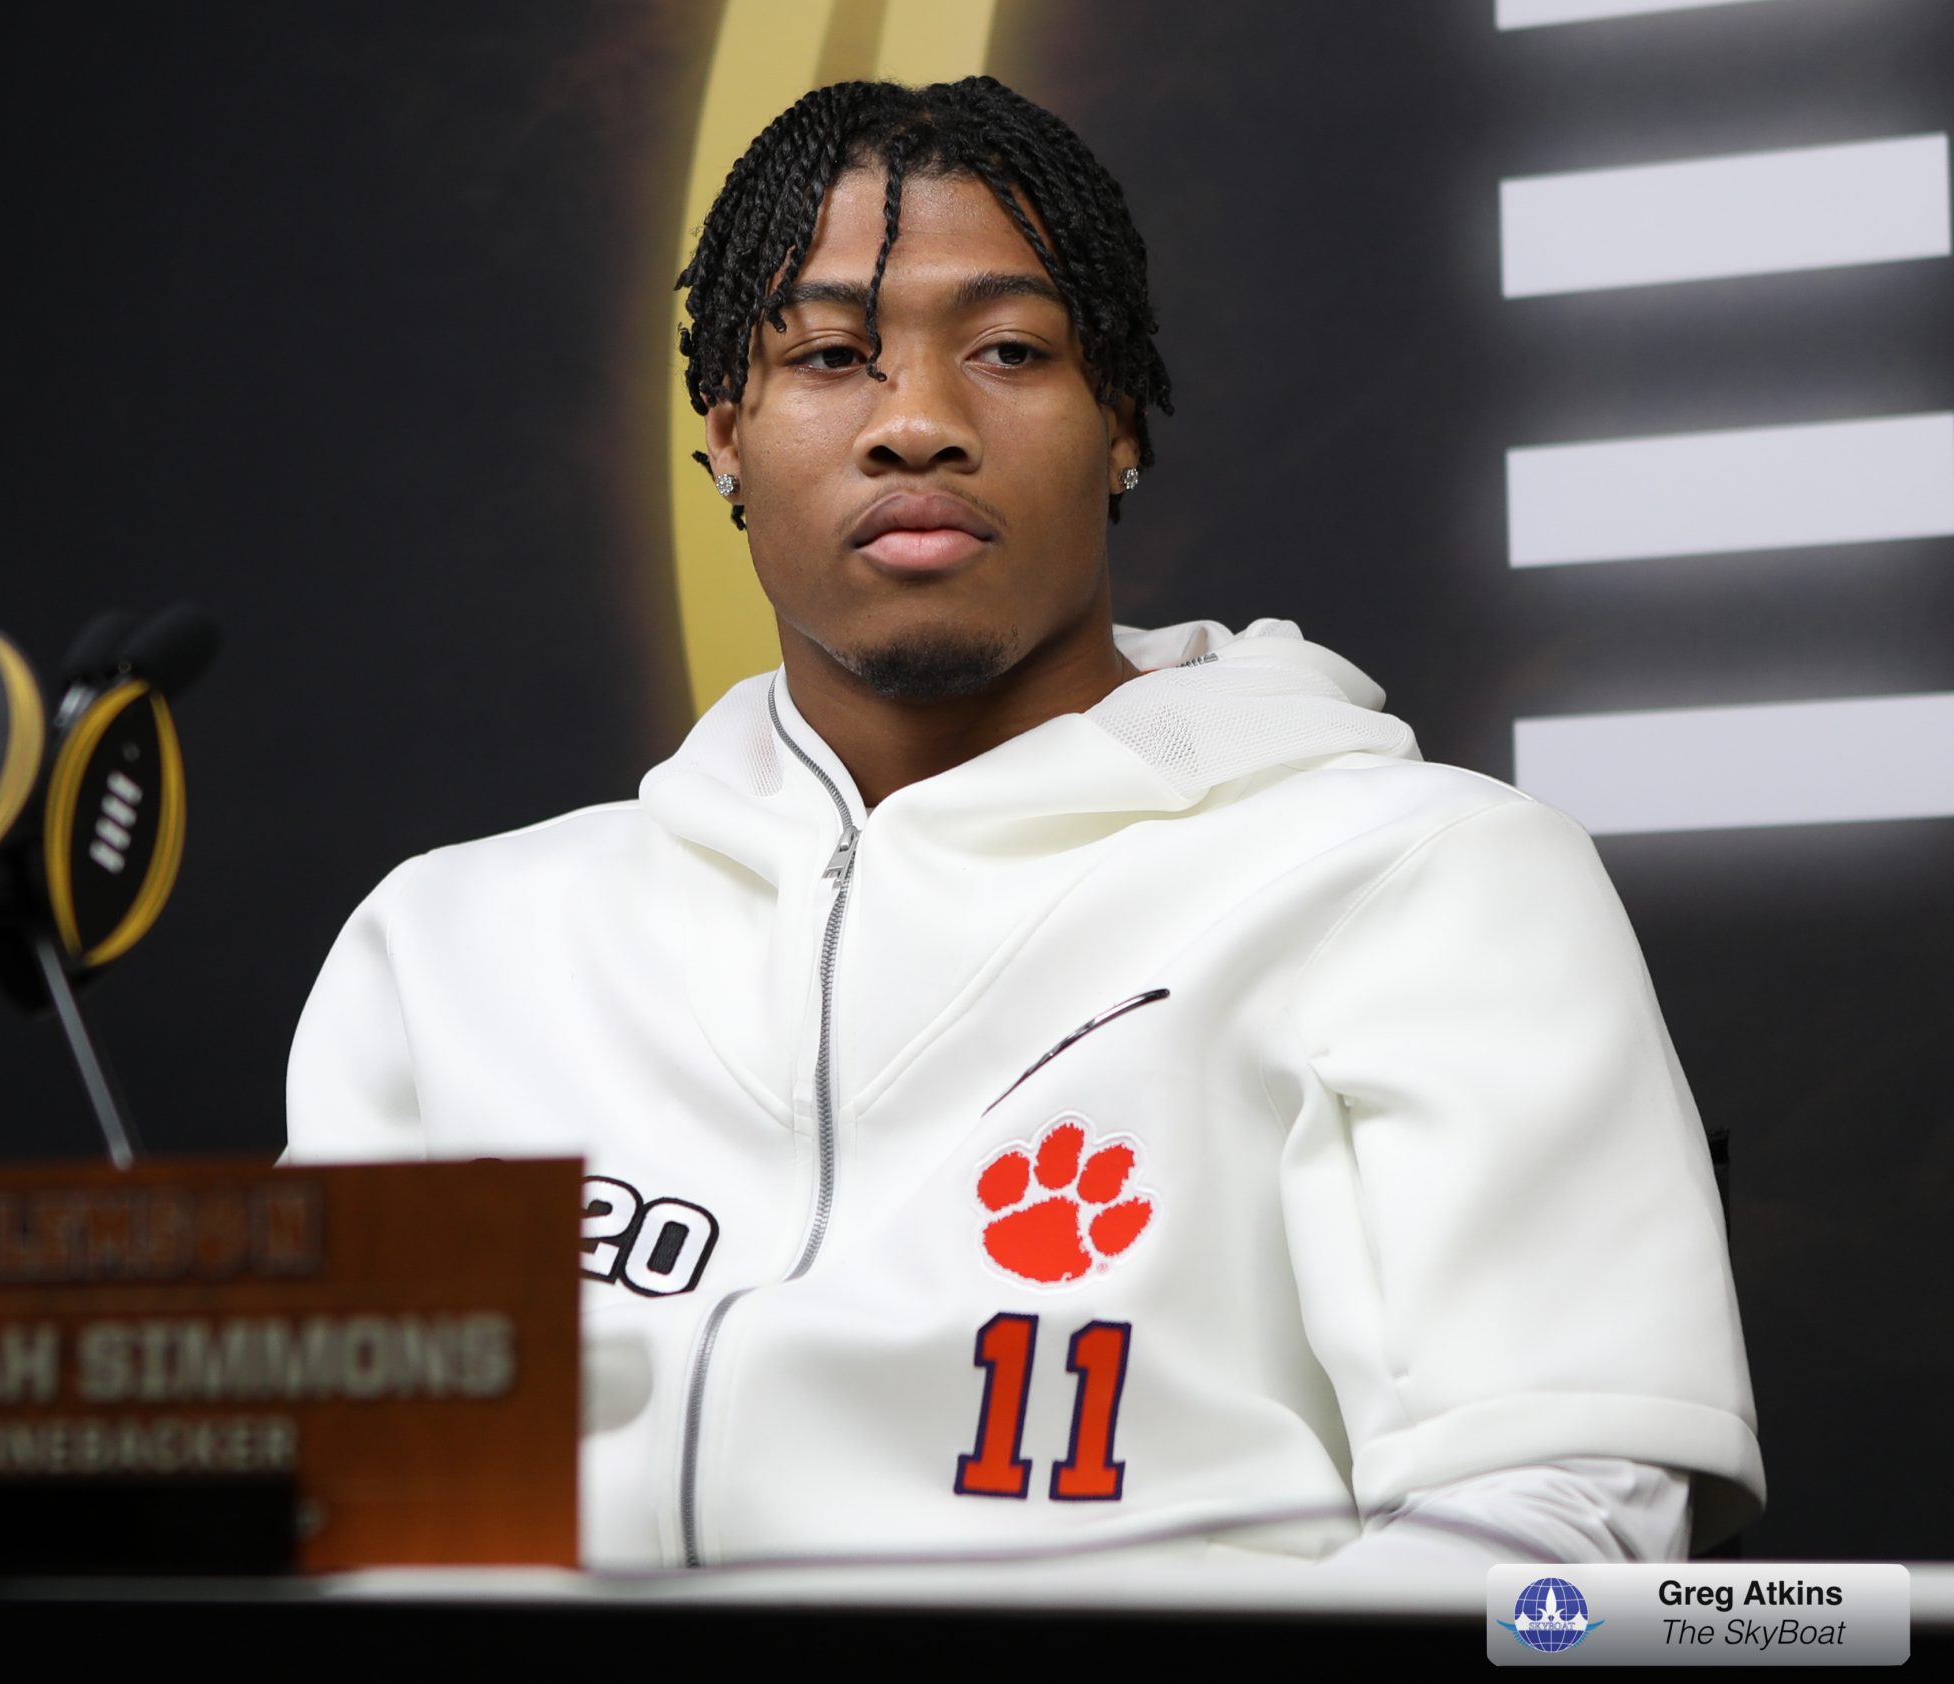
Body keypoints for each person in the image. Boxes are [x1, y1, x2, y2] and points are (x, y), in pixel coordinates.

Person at [283, 76, 1759, 1572]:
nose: (917, 422)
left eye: (1007, 350)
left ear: (1120, 422)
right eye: (831, 355)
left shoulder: (1424, 875)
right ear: (724, 435)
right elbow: (355, 1520)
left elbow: (1562, 1526)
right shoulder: (455, 946)